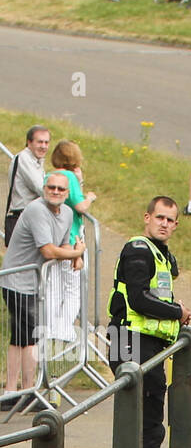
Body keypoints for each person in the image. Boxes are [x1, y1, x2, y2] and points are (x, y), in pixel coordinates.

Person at [107, 197, 189, 448]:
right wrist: (178, 313)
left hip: (143, 343)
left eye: (171, 220)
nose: (165, 224)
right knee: (146, 429)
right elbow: (140, 299)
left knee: (144, 429)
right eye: (160, 218)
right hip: (132, 343)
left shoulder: (160, 254)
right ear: (146, 218)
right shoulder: (139, 250)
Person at [1, 174, 83, 398]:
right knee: (28, 337)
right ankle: (24, 391)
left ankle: (19, 391)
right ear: (44, 189)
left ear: (67, 194)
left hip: (34, 283)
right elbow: (47, 250)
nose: (55, 191)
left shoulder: (66, 213)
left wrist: (75, 256)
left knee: (24, 337)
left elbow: (64, 243)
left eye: (60, 189)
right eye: (51, 187)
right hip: (16, 281)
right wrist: (76, 252)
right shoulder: (36, 210)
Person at [48, 139, 96, 344]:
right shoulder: (69, 177)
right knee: (73, 287)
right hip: (71, 239)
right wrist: (91, 197)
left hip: (53, 238)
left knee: (53, 286)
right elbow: (80, 205)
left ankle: (50, 327)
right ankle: (65, 328)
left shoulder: (50, 176)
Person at [5, 124, 50, 245]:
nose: (44, 146)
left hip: (29, 216)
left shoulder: (35, 160)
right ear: (29, 142)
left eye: (46, 143)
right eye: (40, 142)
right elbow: (41, 188)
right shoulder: (25, 159)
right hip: (23, 217)